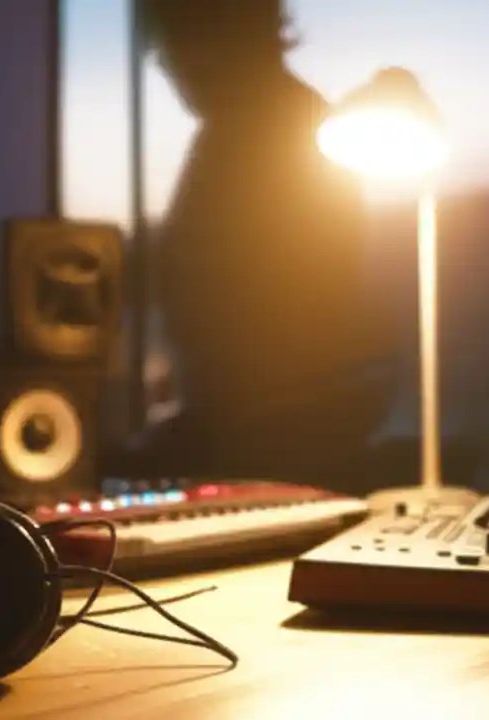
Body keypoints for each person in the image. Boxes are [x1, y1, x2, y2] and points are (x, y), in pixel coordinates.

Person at [137, 0, 398, 485]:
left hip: (273, 442)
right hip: (256, 429)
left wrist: (204, 426)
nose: (167, 65)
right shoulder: (241, 130)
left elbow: (285, 306)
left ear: (218, 36)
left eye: (171, 45)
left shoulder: (280, 132)